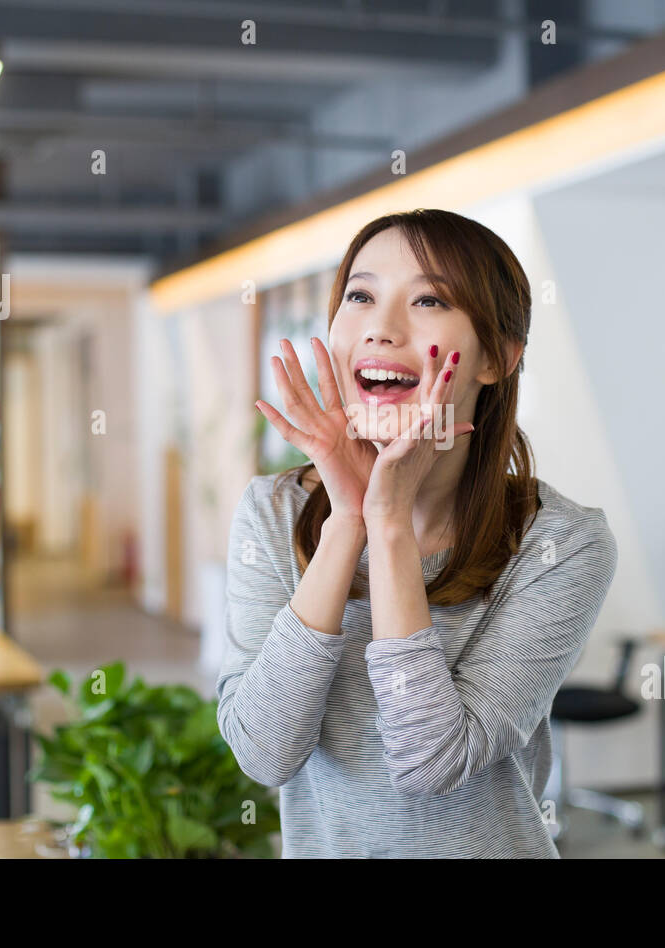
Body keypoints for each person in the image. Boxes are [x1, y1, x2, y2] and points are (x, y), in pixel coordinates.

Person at [218, 207, 617, 857]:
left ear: (498, 357)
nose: (381, 327)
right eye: (361, 295)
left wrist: (390, 525)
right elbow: (264, 751)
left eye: (429, 298)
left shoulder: (561, 543)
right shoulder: (272, 512)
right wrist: (348, 520)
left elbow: (433, 763)